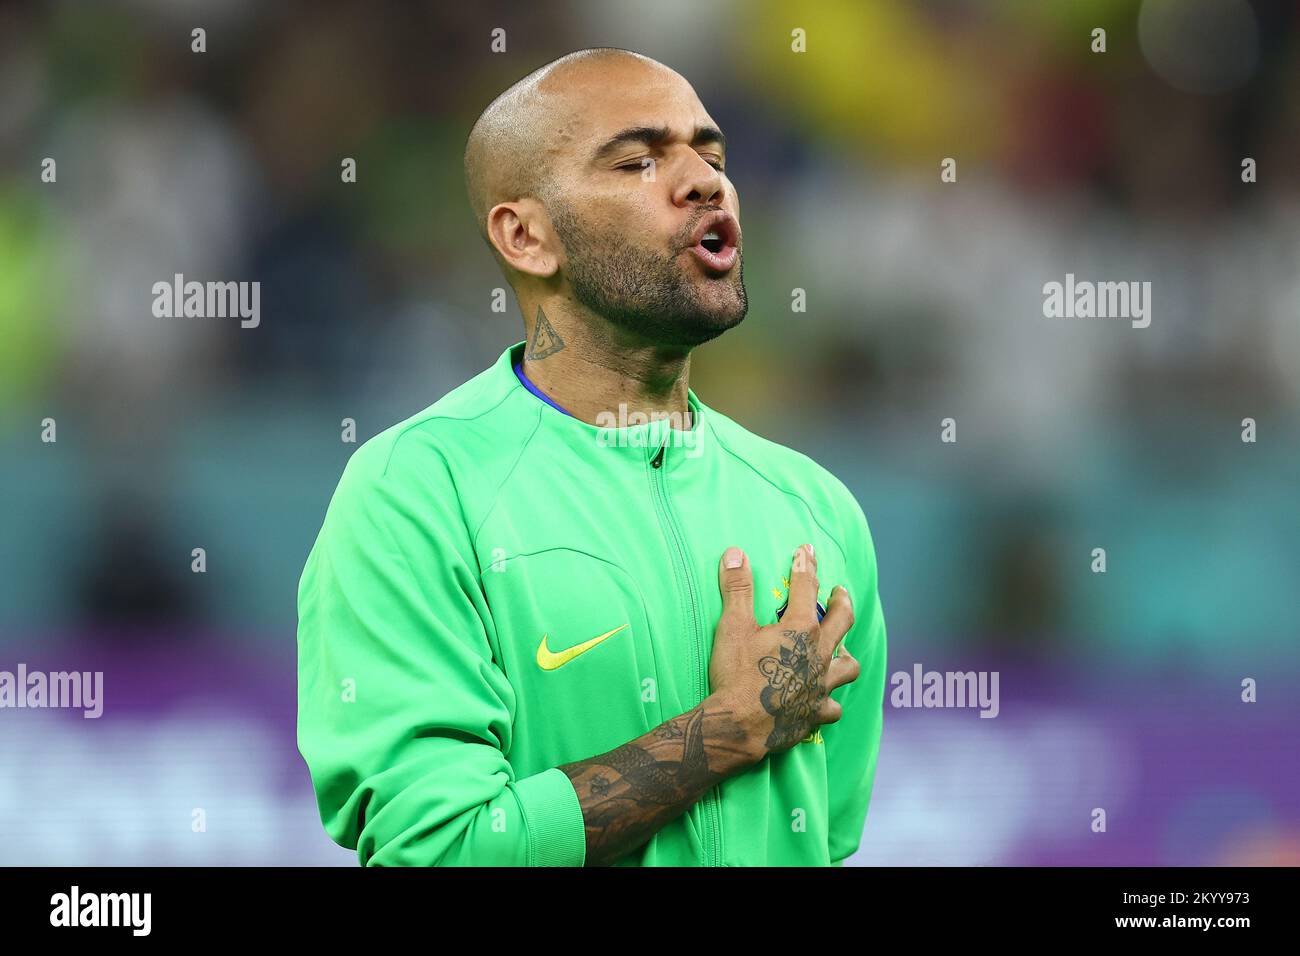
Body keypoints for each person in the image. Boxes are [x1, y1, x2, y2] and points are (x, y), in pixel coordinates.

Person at [296, 47, 887, 866]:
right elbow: (436, 848)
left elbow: (826, 837)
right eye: (639, 161)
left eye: (712, 156)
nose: (704, 182)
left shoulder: (816, 509)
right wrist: (725, 731)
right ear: (527, 236)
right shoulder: (418, 493)